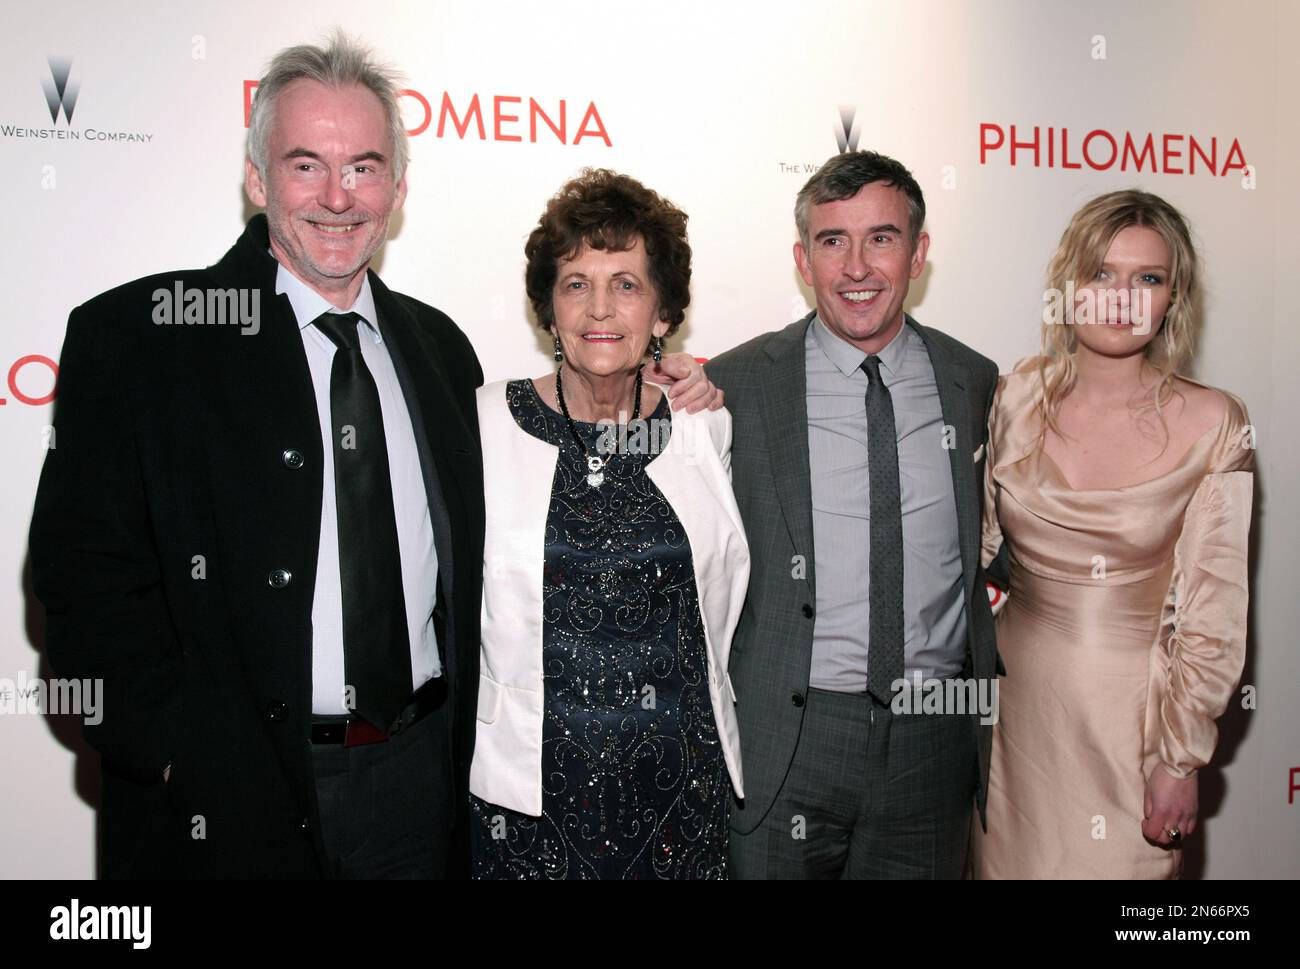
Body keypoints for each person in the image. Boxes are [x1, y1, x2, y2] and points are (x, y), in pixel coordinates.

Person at [28, 33, 719, 879]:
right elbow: (82, 586)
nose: (337, 195)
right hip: (226, 803)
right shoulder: (140, 341)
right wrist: (179, 756)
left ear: (395, 187)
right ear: (256, 178)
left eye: (362, 165)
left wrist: (667, 378)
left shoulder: (440, 352)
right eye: (305, 164)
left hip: (422, 787)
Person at [706, 150, 1002, 879]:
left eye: (882, 237)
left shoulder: (975, 382)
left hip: (932, 741)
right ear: (804, 260)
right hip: (786, 736)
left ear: (919, 252)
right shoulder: (734, 384)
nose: (857, 267)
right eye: (833, 241)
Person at [468, 169, 749, 879]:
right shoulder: (485, 423)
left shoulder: (700, 424)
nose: (600, 308)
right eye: (575, 283)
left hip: (679, 791)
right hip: (527, 797)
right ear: (548, 308)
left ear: (662, 313)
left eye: (626, 284)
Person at [971, 190, 1254, 879]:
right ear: (1069, 287)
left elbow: (1213, 613)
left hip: (1135, 724)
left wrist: (1178, 758)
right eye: (1102, 273)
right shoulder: (1010, 401)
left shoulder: (1214, 423)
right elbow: (968, 561)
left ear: (1172, 298)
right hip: (1013, 721)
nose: (1122, 298)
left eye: (1147, 278)